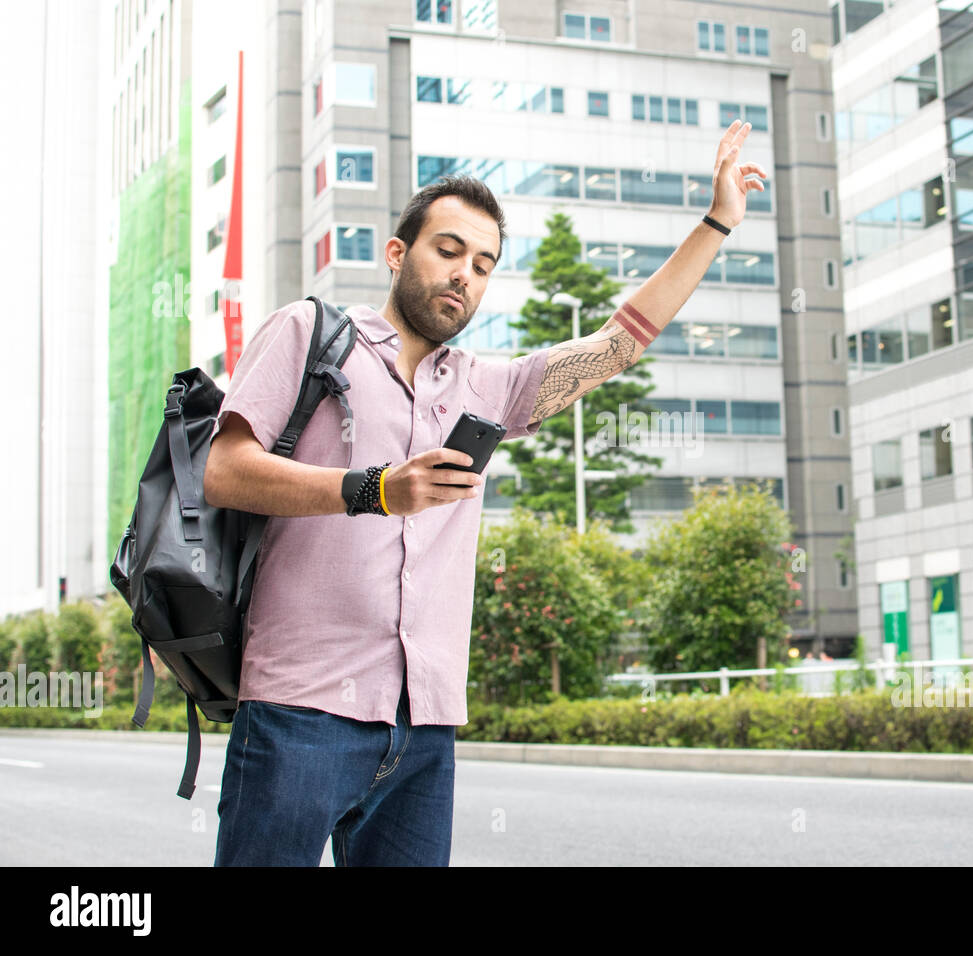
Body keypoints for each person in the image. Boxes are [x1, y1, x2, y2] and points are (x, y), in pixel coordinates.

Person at [204, 120, 766, 866]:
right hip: (300, 708)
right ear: (399, 252)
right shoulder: (309, 332)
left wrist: (718, 220)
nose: (464, 273)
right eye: (448, 250)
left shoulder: (485, 388)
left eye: (483, 263)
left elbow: (618, 344)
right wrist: (373, 489)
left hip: (424, 726)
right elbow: (224, 469)